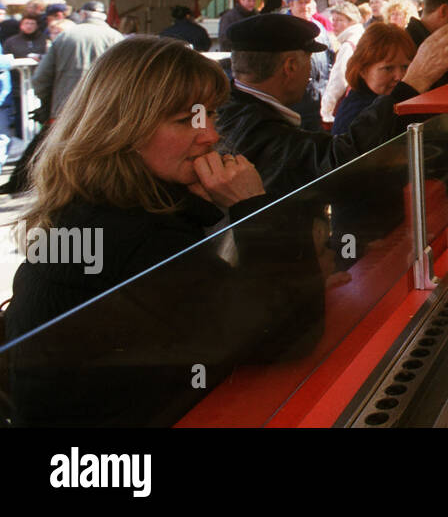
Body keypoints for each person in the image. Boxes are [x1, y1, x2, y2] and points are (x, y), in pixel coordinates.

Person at [3, 37, 322, 426]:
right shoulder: (132, 235)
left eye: (212, 114)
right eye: (186, 119)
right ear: (122, 130)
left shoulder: (97, 207)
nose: (211, 135)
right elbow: (291, 335)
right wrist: (252, 205)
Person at [215, 13, 448, 198]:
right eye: (308, 60)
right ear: (290, 66)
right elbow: (340, 163)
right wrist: (412, 83)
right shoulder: (251, 127)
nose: (310, 73)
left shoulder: (235, 111)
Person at [30, 0, 123, 121]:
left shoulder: (65, 36)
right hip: (102, 113)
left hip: (64, 111)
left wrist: (49, 102)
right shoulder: (117, 38)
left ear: (83, 15)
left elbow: (41, 78)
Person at [331, 23, 416, 136]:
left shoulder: (400, 103)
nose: (399, 77)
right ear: (363, 70)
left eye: (405, 67)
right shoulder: (354, 115)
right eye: (388, 68)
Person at [287, 0, 331, 129]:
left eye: (308, 1)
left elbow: (329, 56)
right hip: (294, 102)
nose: (305, 6)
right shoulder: (283, 28)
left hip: (319, 98)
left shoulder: (320, 28)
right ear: (291, 5)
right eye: (300, 2)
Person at [320, 1, 364, 126]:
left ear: (352, 21)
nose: (334, 24)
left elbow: (339, 81)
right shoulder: (363, 37)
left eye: (339, 20)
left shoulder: (348, 45)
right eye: (333, 20)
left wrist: (326, 110)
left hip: (348, 104)